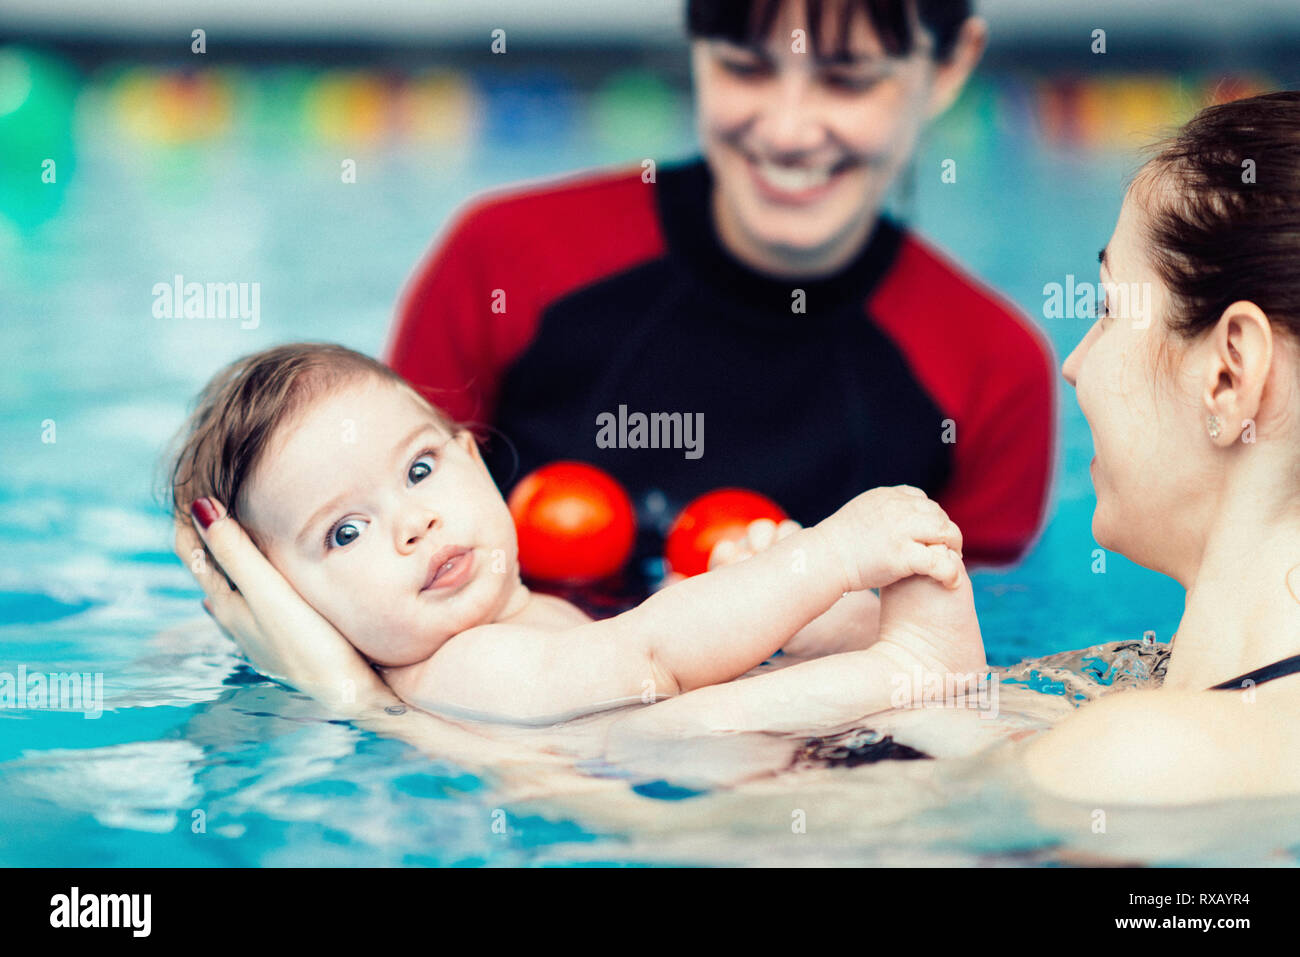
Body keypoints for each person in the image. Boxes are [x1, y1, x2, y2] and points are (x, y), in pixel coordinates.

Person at [602, 91, 1300, 804]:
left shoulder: (1140, 755)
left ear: (1228, 374)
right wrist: (894, 658)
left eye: (1107, 308)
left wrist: (862, 667)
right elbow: (1004, 754)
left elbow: (622, 799)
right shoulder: (1156, 698)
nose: (1076, 361)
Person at [384, 0, 1055, 594]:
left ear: (948, 66)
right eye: (745, 67)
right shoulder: (503, 262)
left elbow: (966, 672)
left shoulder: (993, 370)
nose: (788, 132)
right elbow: (373, 564)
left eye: (848, 78)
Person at [167, 343, 980, 724]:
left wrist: (792, 619)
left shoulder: (527, 616)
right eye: (345, 531)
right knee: (679, 719)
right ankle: (911, 669)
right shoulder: (453, 668)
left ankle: (881, 659)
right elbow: (647, 659)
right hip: (751, 819)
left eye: (419, 470)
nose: (414, 524)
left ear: (472, 454)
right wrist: (824, 558)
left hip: (801, 785)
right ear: (289, 602)